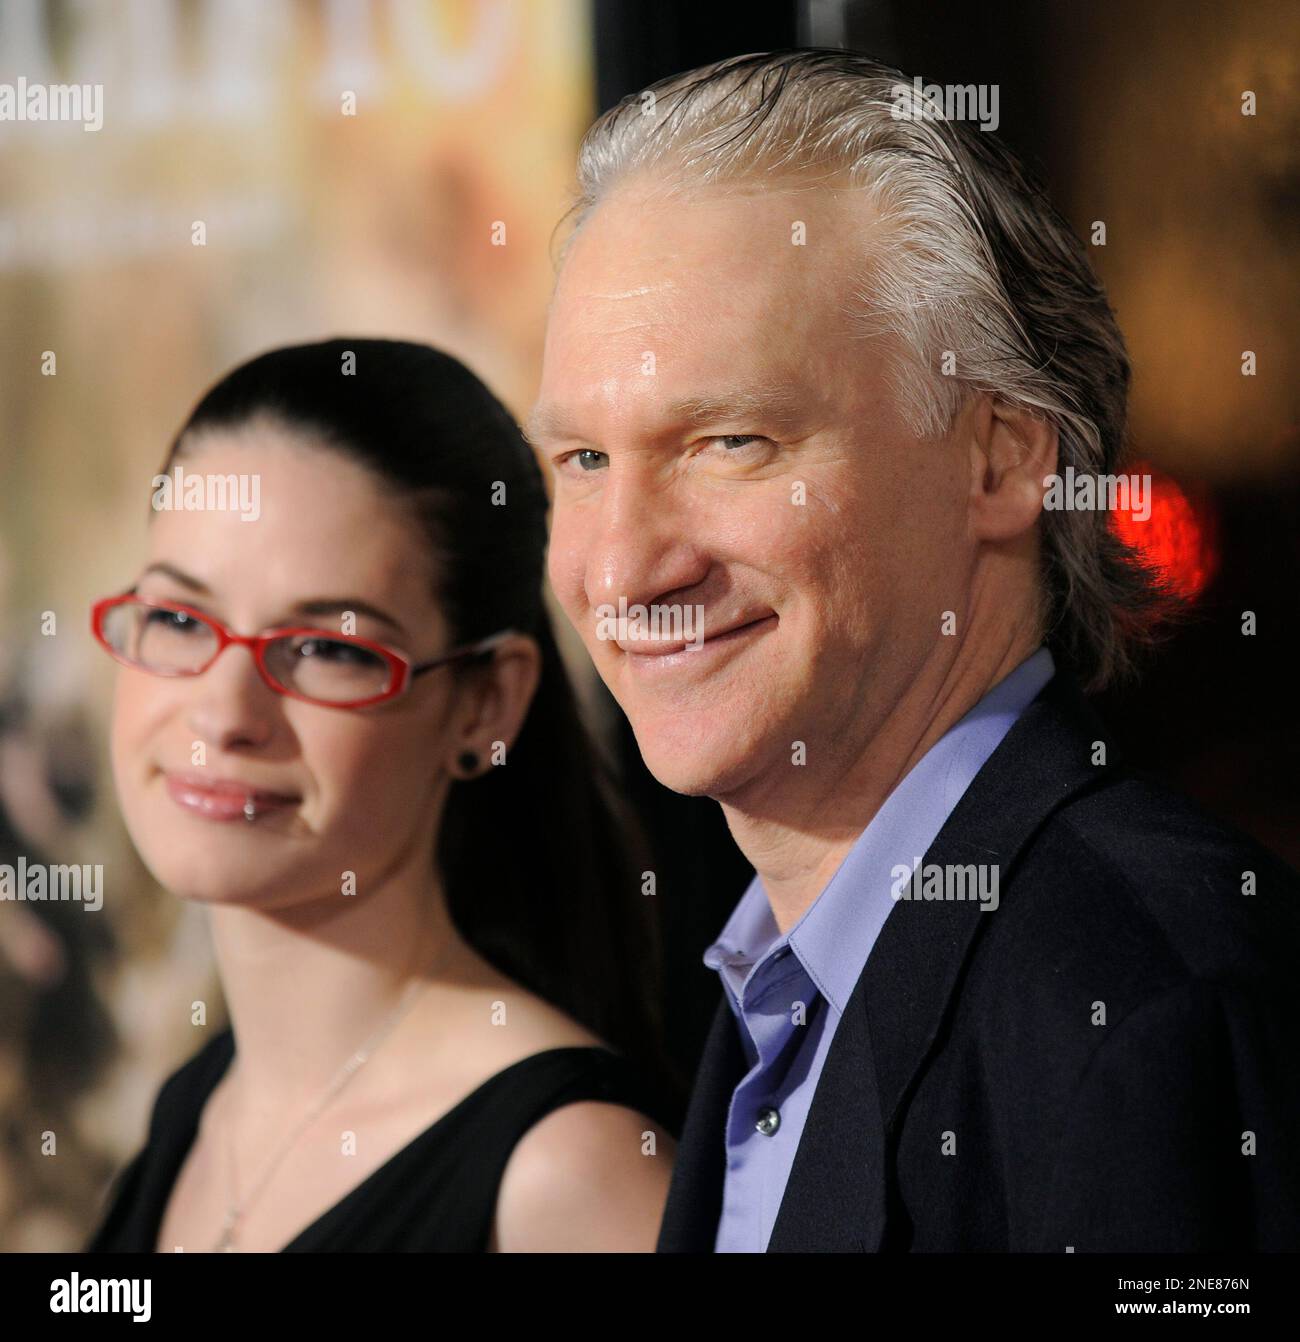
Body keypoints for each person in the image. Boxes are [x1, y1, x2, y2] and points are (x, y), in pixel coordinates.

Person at [527, 49, 1300, 1251]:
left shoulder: (1144, 1007)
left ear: (999, 457)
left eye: (730, 441)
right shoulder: (777, 990)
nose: (622, 567)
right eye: (582, 461)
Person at [84, 338, 679, 1252]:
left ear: (484, 703)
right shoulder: (195, 1110)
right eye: (177, 617)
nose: (224, 711)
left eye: (327, 647)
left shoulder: (568, 1173)